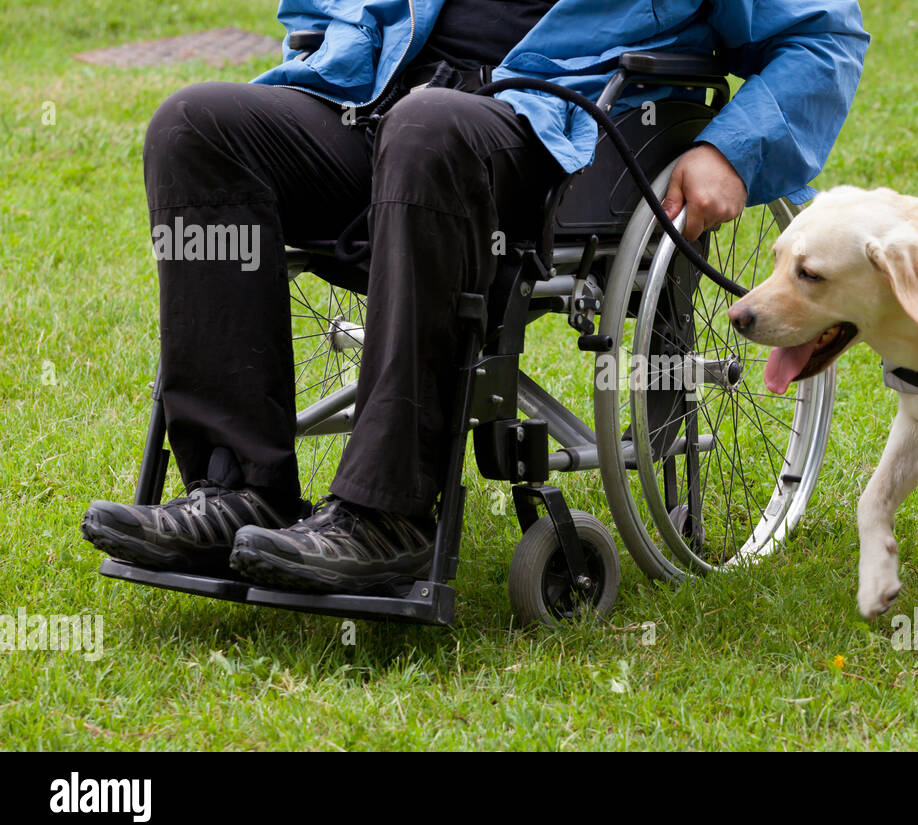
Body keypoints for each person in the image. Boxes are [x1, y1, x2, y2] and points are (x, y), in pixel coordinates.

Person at [80, 0, 869, 595]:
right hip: (384, 105)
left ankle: (384, 516)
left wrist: (730, 149)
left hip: (556, 131)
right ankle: (236, 491)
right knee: (197, 126)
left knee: (430, 129)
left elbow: (822, 39)